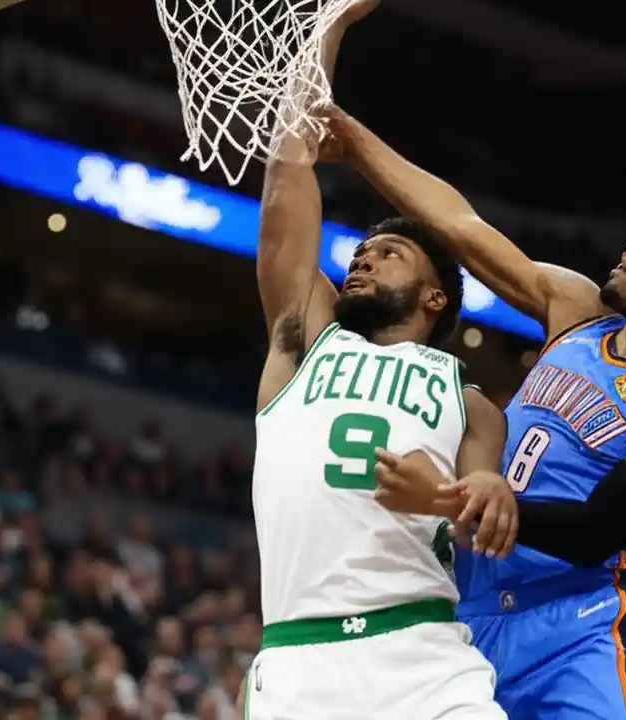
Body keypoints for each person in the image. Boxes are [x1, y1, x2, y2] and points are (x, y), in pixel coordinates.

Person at [322, 106, 626, 718]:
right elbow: (458, 224)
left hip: (578, 629)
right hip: (468, 610)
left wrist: (453, 500)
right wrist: (354, 144)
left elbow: (598, 532)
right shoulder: (577, 312)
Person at [243, 2, 514, 719]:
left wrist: (474, 494)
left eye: (387, 254)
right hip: (300, 658)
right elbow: (287, 182)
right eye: (359, 253)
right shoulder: (307, 342)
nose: (362, 260)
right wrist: (327, 26)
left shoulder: (471, 402)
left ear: (434, 297)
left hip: (422, 651)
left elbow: (481, 507)